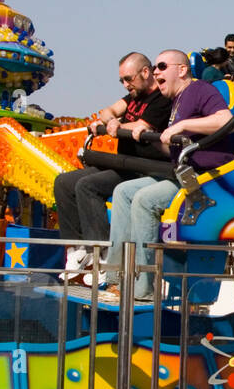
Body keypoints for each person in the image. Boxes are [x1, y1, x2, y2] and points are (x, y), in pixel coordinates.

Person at [92, 50, 234, 302]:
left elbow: (226, 120)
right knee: (123, 191)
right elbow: (172, 146)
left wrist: (181, 126)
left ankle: (143, 289)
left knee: (144, 200)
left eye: (162, 66)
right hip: (181, 174)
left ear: (181, 70)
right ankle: (115, 278)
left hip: (204, 180)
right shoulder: (176, 101)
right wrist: (149, 136)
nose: (156, 71)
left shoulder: (199, 89)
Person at [54, 52, 172, 281]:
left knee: (88, 186)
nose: (126, 85)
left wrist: (117, 124)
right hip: (122, 163)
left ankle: (104, 254)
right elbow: (107, 112)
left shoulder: (160, 99)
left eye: (129, 79)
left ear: (145, 73)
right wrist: (112, 120)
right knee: (64, 182)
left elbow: (141, 125)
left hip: (143, 167)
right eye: (122, 81)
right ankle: (79, 250)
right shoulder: (133, 97)